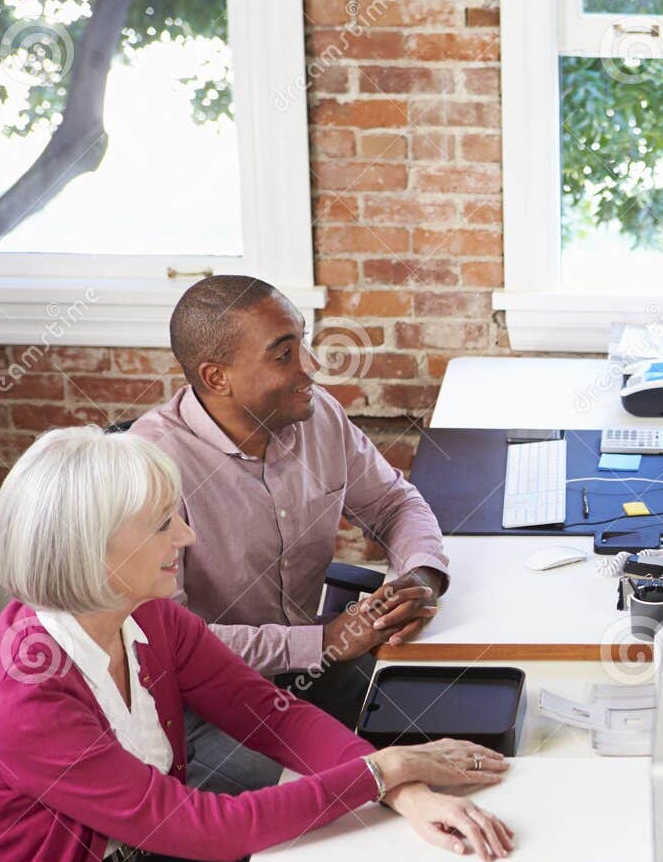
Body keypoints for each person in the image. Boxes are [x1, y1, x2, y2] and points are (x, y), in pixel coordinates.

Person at [0, 427, 513, 862]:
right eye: (164, 524)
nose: (185, 535)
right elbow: (208, 827)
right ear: (94, 549)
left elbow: (272, 716)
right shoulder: (27, 699)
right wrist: (380, 772)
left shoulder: (149, 617)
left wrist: (407, 791)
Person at [129, 275, 451, 794]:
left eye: (302, 342)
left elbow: (393, 502)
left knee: (443, 721)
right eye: (284, 355)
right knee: (348, 801)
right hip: (195, 708)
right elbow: (167, 643)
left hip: (303, 674)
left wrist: (422, 573)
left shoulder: (317, 416)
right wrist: (320, 640)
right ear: (217, 377)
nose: (311, 368)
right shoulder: (151, 467)